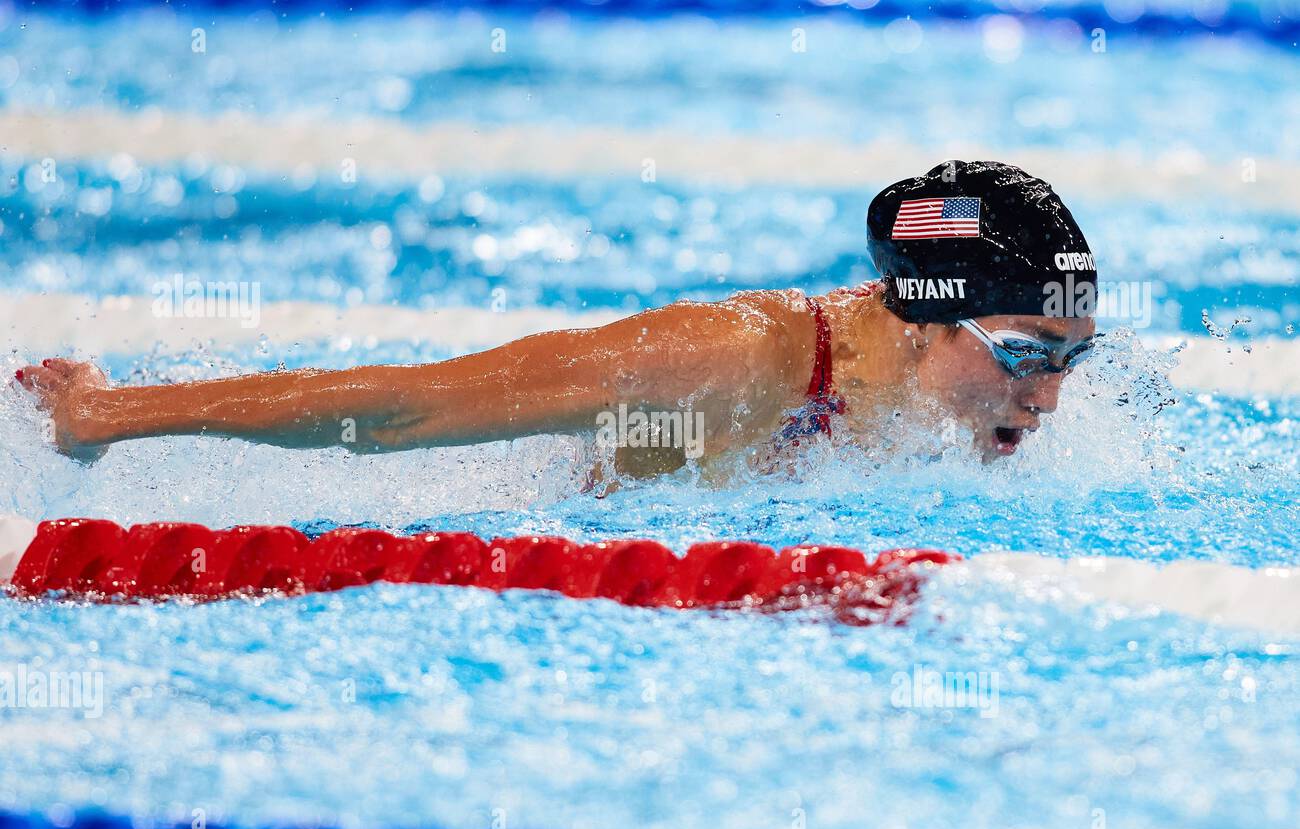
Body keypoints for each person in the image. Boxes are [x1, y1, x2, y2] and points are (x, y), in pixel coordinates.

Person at [15, 160, 1099, 480]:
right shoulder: (727, 359)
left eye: (1069, 360)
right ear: (917, 321)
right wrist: (109, 410)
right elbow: (402, 407)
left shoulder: (934, 404)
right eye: (1023, 356)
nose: (1049, 397)